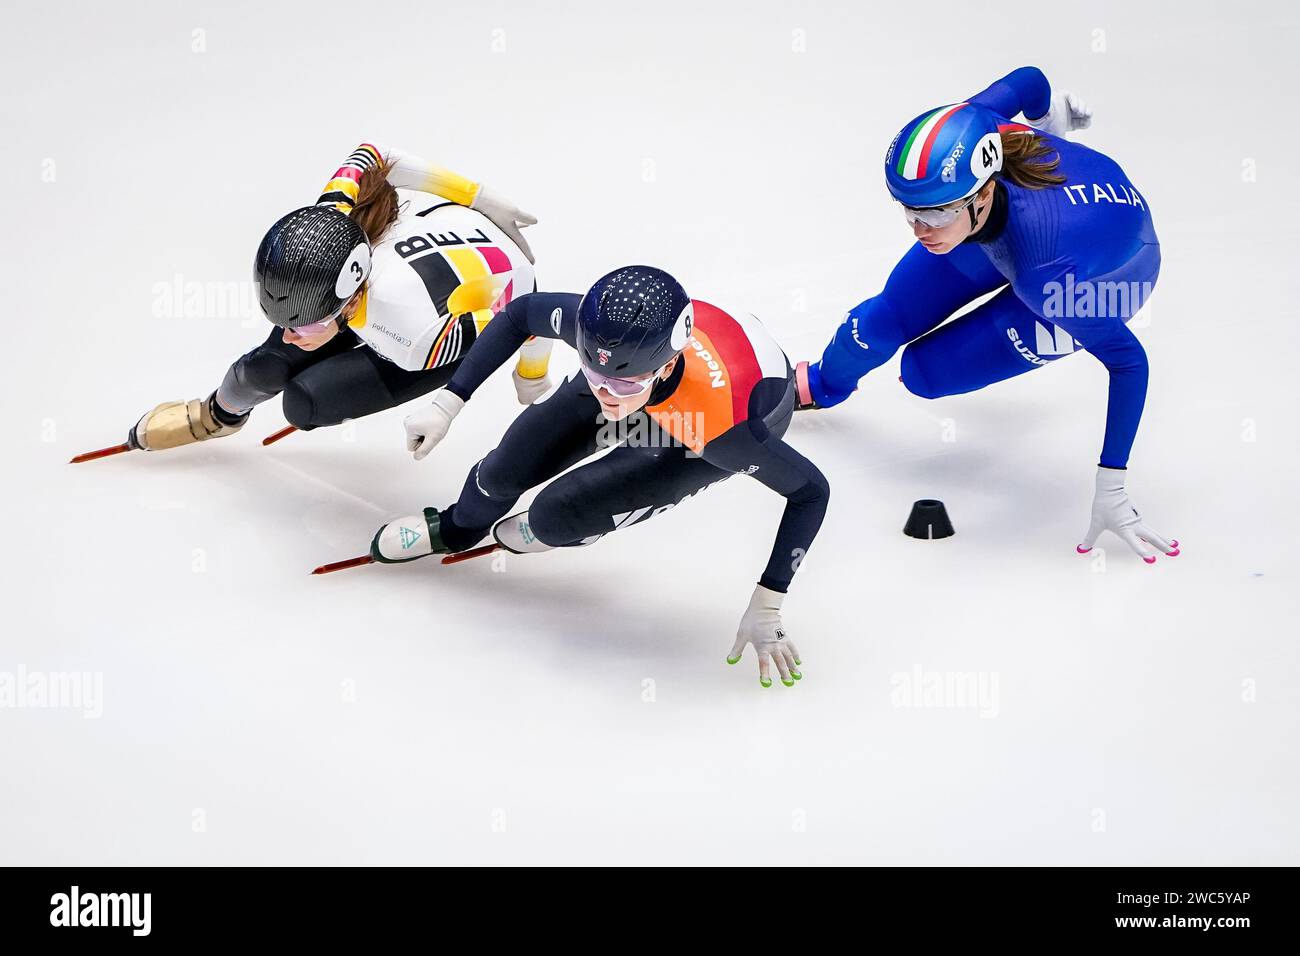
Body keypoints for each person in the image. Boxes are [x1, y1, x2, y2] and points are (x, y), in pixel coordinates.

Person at [366, 266, 831, 688]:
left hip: (719, 414)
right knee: (504, 468)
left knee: (559, 514)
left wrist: (769, 599)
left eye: (622, 385)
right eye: (593, 372)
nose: (606, 394)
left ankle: (566, 526)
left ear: (667, 364)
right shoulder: (606, 340)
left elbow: (810, 492)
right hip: (667, 380)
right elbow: (519, 315)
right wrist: (448, 403)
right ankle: (455, 528)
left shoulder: (725, 432)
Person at [796, 67, 1178, 563]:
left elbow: (1130, 363)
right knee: (879, 322)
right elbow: (1029, 79)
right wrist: (1047, 117)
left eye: (934, 214)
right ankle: (823, 383)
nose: (919, 229)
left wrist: (1113, 485)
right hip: (1019, 227)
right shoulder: (973, 127)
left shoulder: (1047, 279)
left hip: (1107, 275)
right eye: (909, 210)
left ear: (982, 191)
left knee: (924, 374)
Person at [118, 143, 548, 454]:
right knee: (268, 364)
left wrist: (530, 377)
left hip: (434, 321)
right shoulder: (333, 217)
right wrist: (479, 197)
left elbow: (530, 316)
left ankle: (280, 395)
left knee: (305, 401)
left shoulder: (413, 334)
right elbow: (375, 155)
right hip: (416, 266)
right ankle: (218, 415)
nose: (290, 334)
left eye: (302, 323)